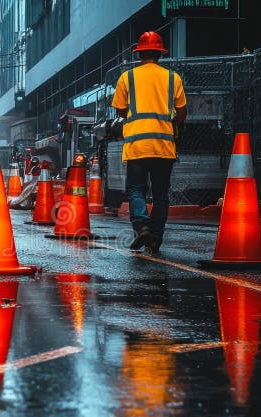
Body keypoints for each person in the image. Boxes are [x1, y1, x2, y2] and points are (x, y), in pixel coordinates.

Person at [111, 31, 187, 253]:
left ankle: (142, 226)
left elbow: (120, 110)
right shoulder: (173, 78)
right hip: (164, 146)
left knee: (136, 190)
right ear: (160, 54)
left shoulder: (127, 77)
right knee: (161, 194)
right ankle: (155, 236)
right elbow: (182, 114)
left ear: (140, 53)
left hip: (137, 146)